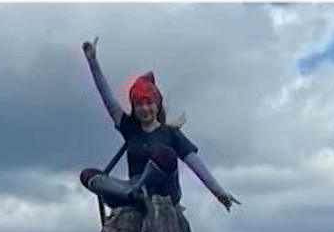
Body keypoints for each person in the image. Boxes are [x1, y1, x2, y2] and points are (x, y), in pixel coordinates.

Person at [80, 39, 238, 212]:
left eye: (149, 103)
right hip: (131, 187)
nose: (144, 109)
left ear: (157, 105)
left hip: (164, 191)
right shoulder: (130, 128)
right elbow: (107, 98)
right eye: (139, 104)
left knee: (164, 154)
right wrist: (92, 60)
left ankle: (134, 194)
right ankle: (134, 195)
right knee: (89, 175)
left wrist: (219, 193)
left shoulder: (171, 134)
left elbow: (196, 165)